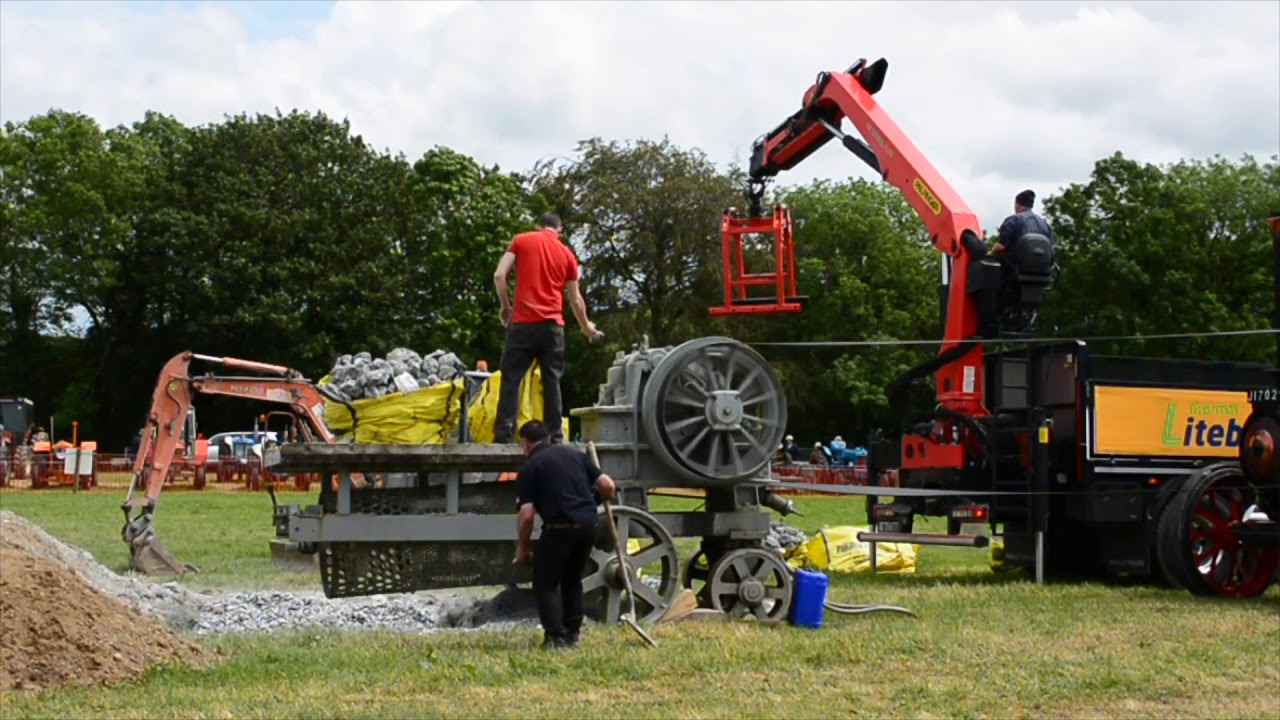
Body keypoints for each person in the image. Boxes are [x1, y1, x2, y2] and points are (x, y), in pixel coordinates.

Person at [492, 212, 602, 444]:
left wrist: (506, 307)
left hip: (522, 324)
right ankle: (555, 435)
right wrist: (586, 327)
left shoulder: (521, 240)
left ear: (538, 225)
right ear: (559, 229)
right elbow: (576, 300)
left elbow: (500, 275)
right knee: (552, 381)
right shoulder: (568, 255)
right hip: (552, 327)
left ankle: (503, 434)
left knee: (511, 379)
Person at [513, 420, 616, 649]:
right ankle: (572, 634)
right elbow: (608, 485)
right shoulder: (575, 455)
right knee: (572, 580)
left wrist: (522, 548)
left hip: (559, 528)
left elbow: (527, 515)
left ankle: (555, 638)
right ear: (549, 438)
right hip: (589, 526)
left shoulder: (531, 467)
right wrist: (594, 503)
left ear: (525, 444)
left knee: (545, 582)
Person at [991, 190, 1054, 307]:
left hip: (1015, 271)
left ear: (1017, 204)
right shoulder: (1045, 224)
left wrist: (989, 253)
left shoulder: (1013, 220)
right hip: (1041, 273)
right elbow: (1051, 249)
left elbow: (1001, 246)